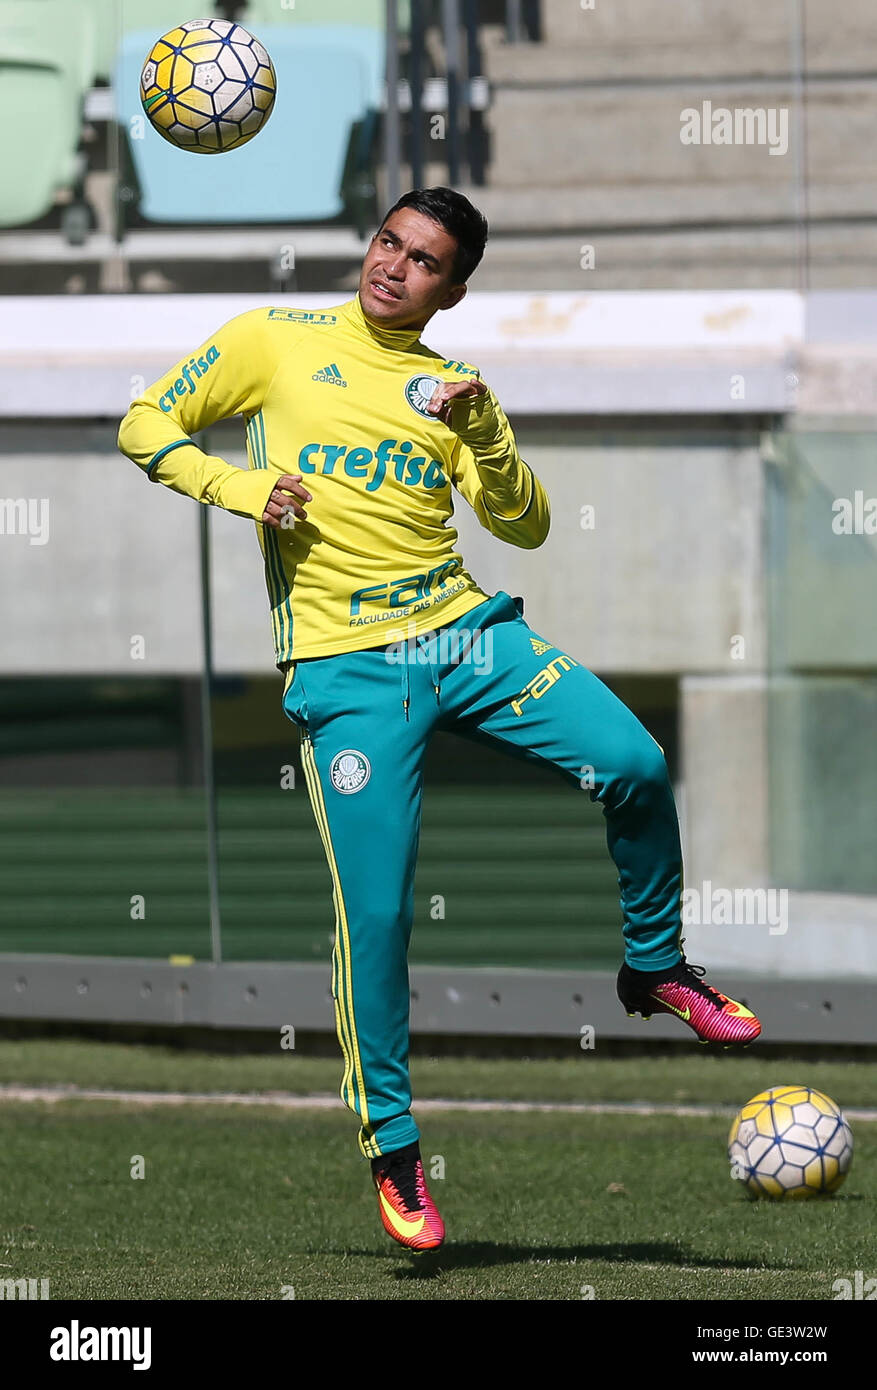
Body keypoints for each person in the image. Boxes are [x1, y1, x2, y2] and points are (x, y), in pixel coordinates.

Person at [117, 186, 761, 1254]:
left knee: (635, 760)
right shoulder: (272, 340)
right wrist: (240, 490)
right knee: (375, 913)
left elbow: (527, 521)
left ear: (451, 291)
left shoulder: (452, 387)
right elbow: (146, 422)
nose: (392, 266)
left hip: (463, 635)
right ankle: (395, 1146)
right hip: (347, 669)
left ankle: (654, 965)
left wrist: (484, 432)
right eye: (386, 242)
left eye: (421, 261)